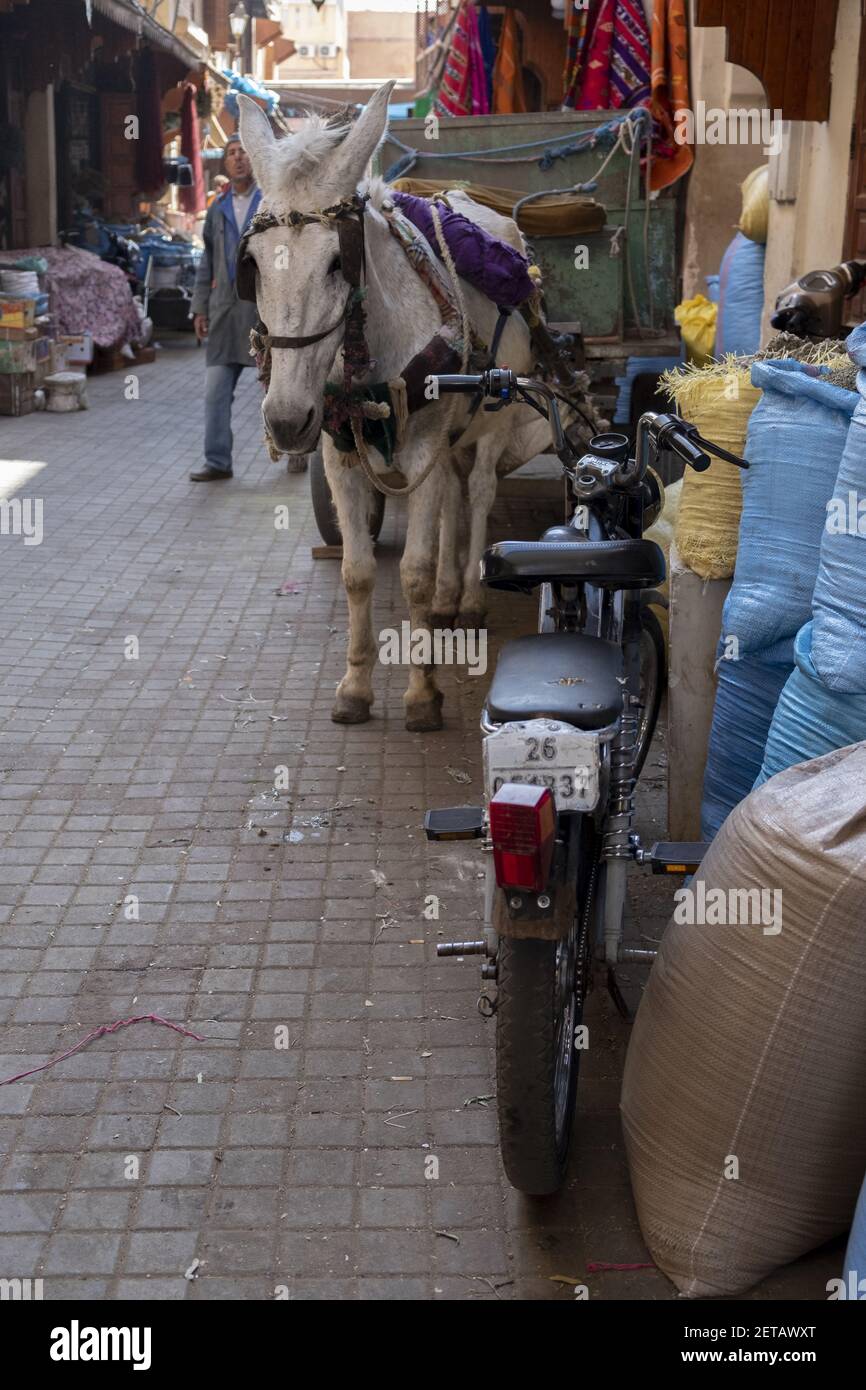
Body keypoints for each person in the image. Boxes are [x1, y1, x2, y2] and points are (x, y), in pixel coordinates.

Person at [189, 135, 262, 481]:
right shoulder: (217, 209)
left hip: (263, 314)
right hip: (223, 313)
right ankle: (217, 461)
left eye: (243, 152)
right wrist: (199, 306)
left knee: (282, 388)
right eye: (231, 153)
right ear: (225, 164)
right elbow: (207, 261)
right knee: (215, 391)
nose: (238, 158)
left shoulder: (270, 204)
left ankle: (296, 453)